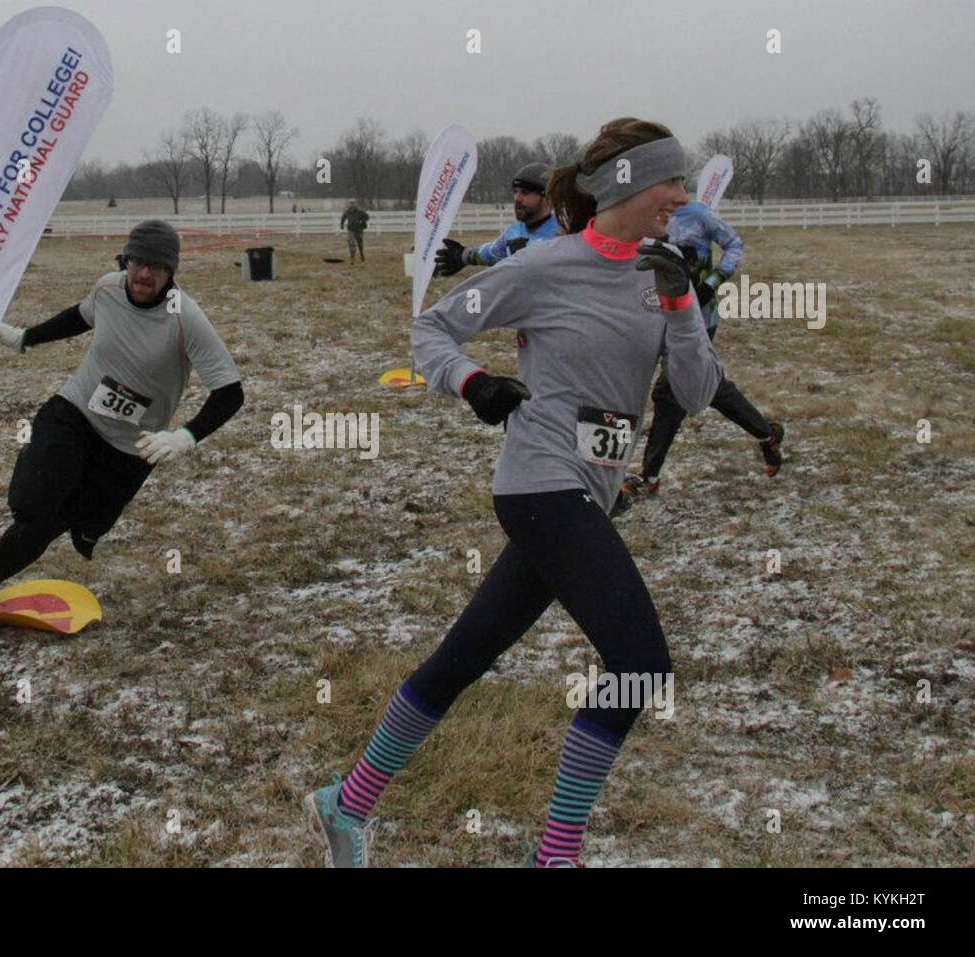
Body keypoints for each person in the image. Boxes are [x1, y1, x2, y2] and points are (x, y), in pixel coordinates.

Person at [304, 118, 722, 868]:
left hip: (585, 496)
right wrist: (473, 382)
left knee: (464, 656)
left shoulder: (662, 274)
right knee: (641, 662)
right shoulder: (544, 265)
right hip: (540, 484)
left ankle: (347, 801)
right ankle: (556, 855)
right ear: (630, 182)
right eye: (673, 181)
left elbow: (692, 393)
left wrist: (683, 304)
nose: (684, 197)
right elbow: (430, 329)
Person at [0, 220, 244, 604]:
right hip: (75, 413)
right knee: (36, 507)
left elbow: (230, 392)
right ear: (125, 260)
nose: (142, 274)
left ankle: (54, 533)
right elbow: (80, 316)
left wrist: (184, 436)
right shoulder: (108, 287)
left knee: (83, 527)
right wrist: (26, 337)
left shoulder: (185, 318)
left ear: (171, 271)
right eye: (136, 262)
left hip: (129, 448)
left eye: (155, 267)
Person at [616, 198, 783, 511]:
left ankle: (648, 477)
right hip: (653, 317)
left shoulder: (697, 216)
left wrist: (713, 281)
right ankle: (766, 433)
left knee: (672, 392)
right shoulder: (640, 214)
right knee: (708, 386)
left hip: (697, 320)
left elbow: (735, 244)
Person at [433, 162, 560, 276]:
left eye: (525, 192)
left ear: (546, 197)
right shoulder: (512, 232)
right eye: (515, 192)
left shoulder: (564, 233)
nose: (517, 198)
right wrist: (462, 255)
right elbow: (492, 253)